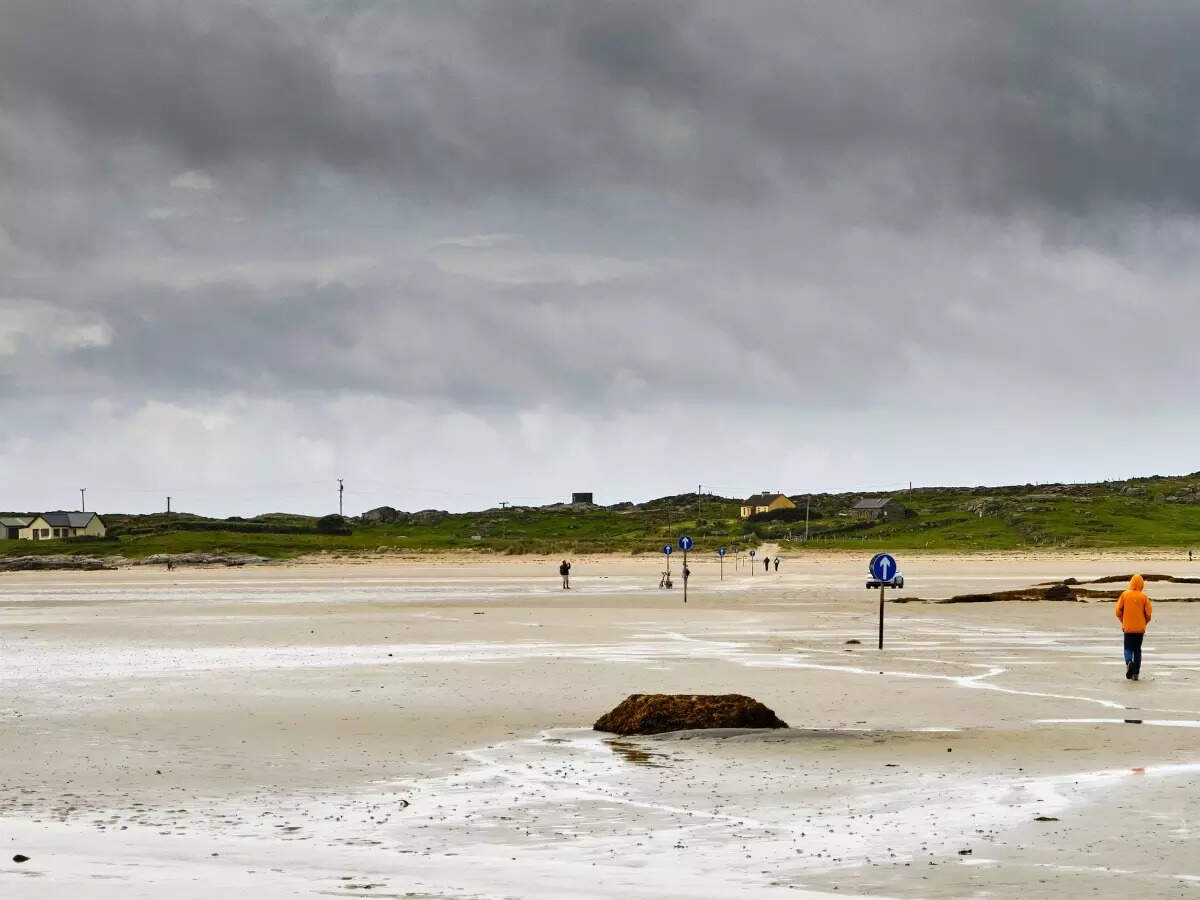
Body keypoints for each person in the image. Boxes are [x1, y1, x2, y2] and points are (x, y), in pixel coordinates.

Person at [1116, 574, 1152, 681]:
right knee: (1137, 650)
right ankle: (1136, 673)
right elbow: (1148, 613)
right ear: (1141, 584)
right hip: (1140, 629)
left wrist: (1123, 621)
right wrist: (1144, 623)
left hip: (1128, 627)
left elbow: (1118, 611)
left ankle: (1129, 662)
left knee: (1127, 648)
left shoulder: (1125, 595)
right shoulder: (1144, 597)